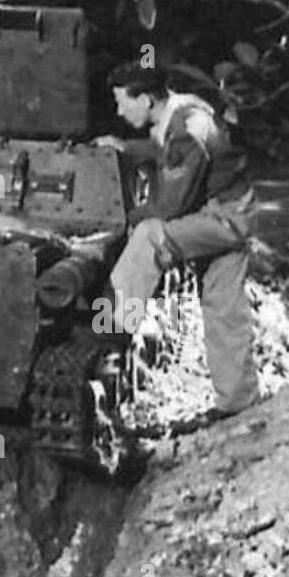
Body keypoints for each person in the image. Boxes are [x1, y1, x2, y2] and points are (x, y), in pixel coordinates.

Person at [94, 62, 260, 419]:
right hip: (234, 209)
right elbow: (165, 152)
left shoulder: (188, 128)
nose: (118, 110)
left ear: (148, 100)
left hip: (223, 218)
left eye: (123, 101)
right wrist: (125, 147)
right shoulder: (180, 109)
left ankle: (108, 330)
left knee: (149, 238)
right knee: (223, 305)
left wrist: (115, 221)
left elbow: (169, 207)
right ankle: (238, 403)